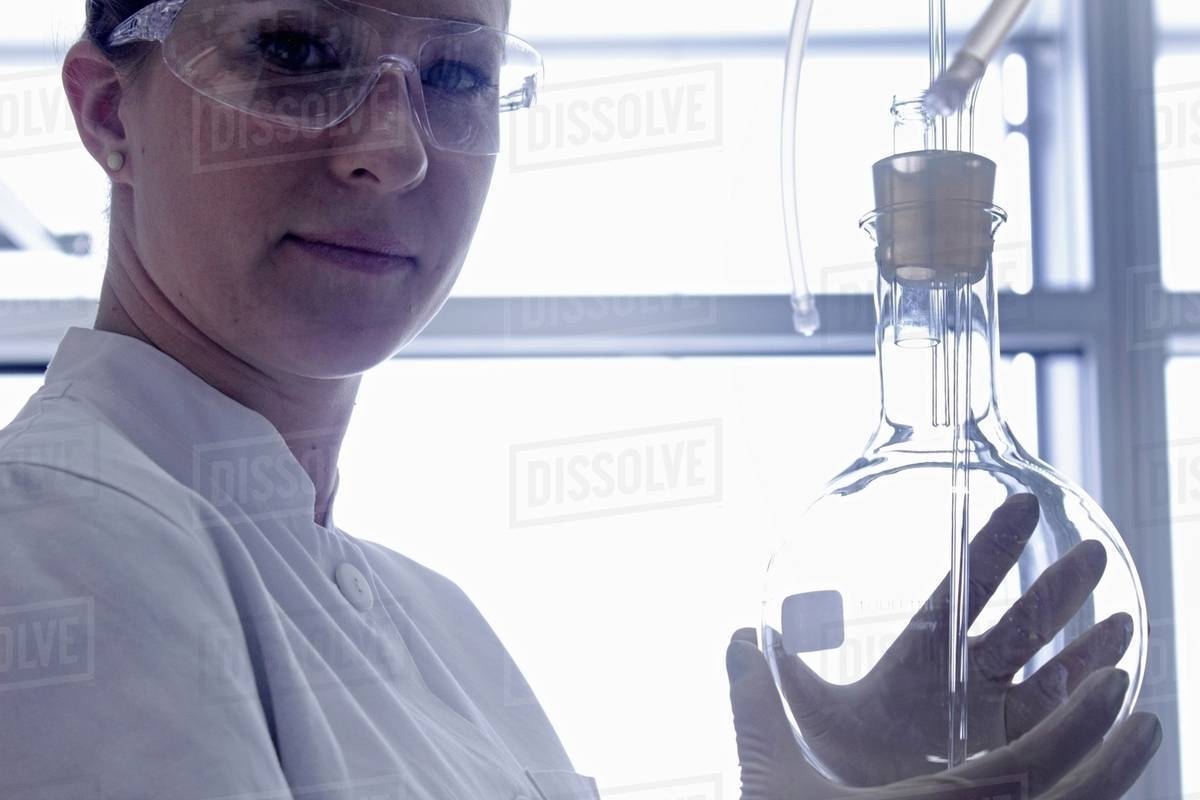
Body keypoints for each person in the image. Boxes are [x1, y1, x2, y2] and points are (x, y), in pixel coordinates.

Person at [0, 0, 1161, 798]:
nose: (392, 149)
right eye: (299, 51)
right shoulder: (54, 540)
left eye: (457, 76)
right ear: (110, 115)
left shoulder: (436, 623)